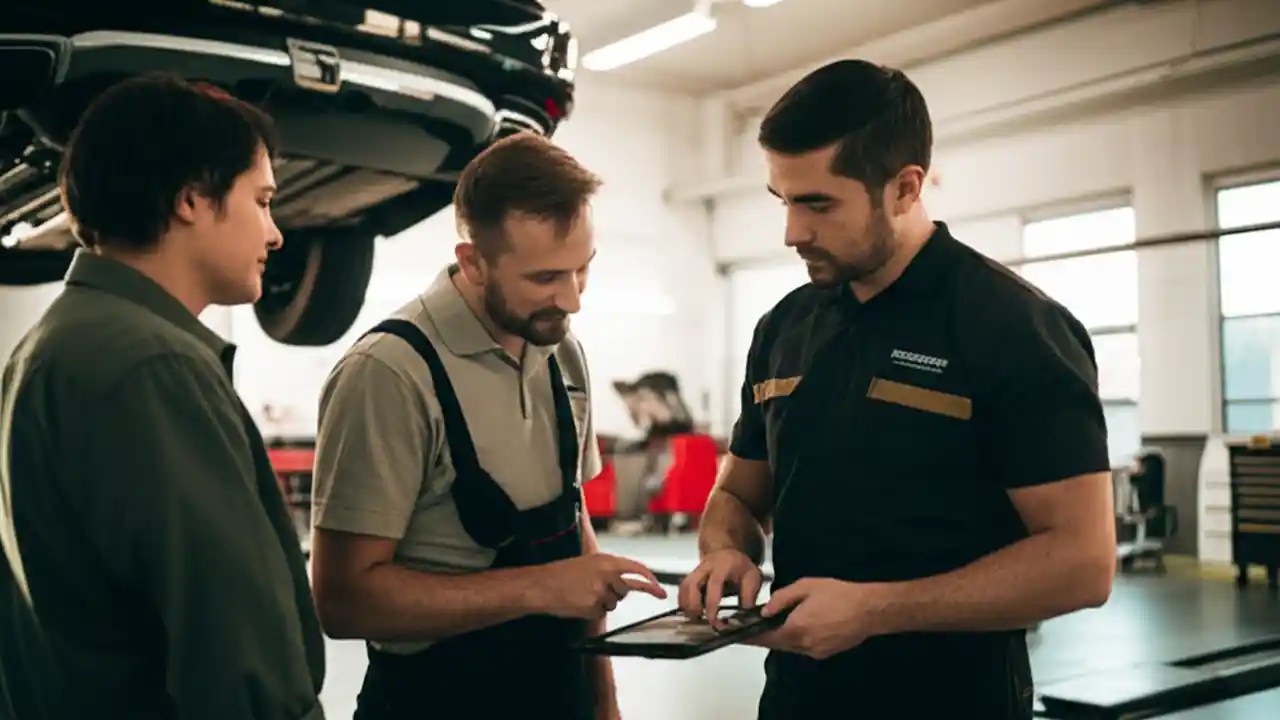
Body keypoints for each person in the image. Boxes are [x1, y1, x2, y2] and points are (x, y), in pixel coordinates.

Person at [677, 59, 1117, 719]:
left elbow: (1083, 562)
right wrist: (725, 552)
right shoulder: (785, 327)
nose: (793, 232)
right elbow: (738, 493)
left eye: (818, 204)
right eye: (785, 201)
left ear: (905, 187)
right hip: (797, 700)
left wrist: (873, 612)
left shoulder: (1012, 327)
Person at [310, 131, 666, 720]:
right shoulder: (390, 373)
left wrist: (604, 703)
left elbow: (571, 525)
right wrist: (540, 589)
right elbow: (344, 602)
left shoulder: (561, 352)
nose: (573, 300)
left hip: (559, 694)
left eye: (583, 271)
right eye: (545, 278)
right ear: (473, 262)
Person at [0, 75, 325, 719]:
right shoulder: (152, 365)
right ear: (191, 201)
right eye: (261, 201)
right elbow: (233, 647)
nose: (275, 233)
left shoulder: (52, 347)